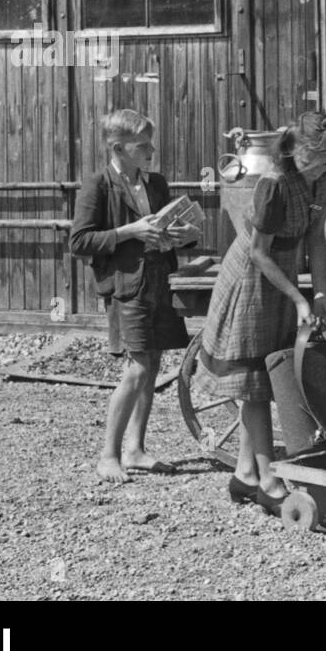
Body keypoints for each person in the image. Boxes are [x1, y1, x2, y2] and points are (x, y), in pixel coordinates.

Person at [200, 110, 326, 513]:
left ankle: (245, 474)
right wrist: (299, 299)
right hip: (252, 277)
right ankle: (268, 482)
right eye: (311, 162)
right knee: (253, 380)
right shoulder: (274, 184)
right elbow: (258, 253)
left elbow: (316, 237)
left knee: (272, 370)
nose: (319, 170)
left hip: (286, 275)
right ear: (292, 150)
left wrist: (320, 294)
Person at [71, 109, 201, 484]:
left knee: (154, 365)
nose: (152, 150)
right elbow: (79, 242)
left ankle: (135, 450)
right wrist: (130, 231)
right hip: (126, 288)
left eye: (151, 143)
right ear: (118, 148)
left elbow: (171, 231)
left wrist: (183, 234)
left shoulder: (156, 182)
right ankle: (108, 455)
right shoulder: (97, 185)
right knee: (139, 367)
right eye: (143, 146)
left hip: (161, 282)